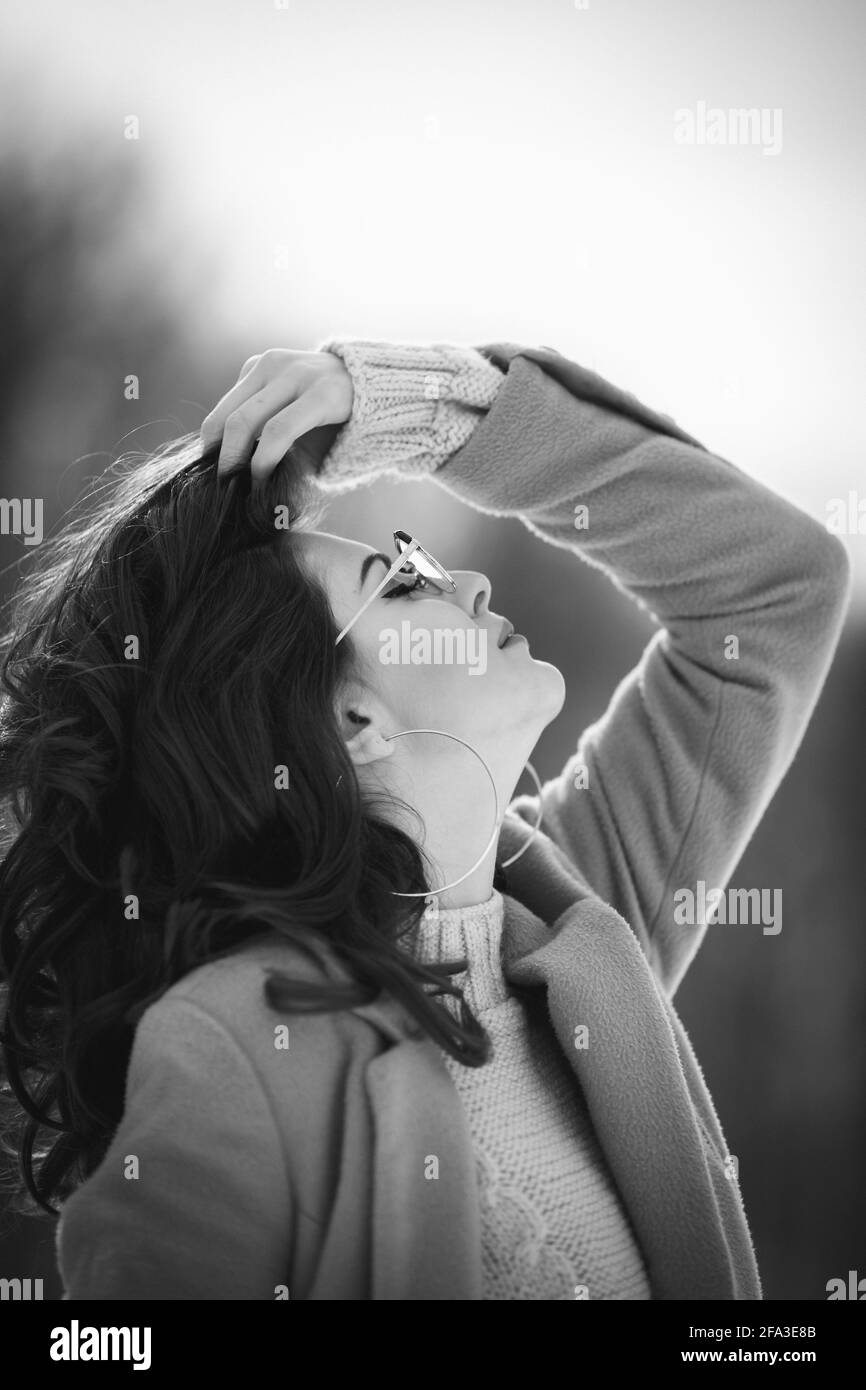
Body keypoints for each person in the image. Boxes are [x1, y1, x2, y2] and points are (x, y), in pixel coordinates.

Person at [0, 335, 850, 1300]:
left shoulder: (582, 921)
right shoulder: (231, 1045)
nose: (470, 584)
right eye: (404, 579)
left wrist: (428, 415)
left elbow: (780, 587)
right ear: (353, 722)